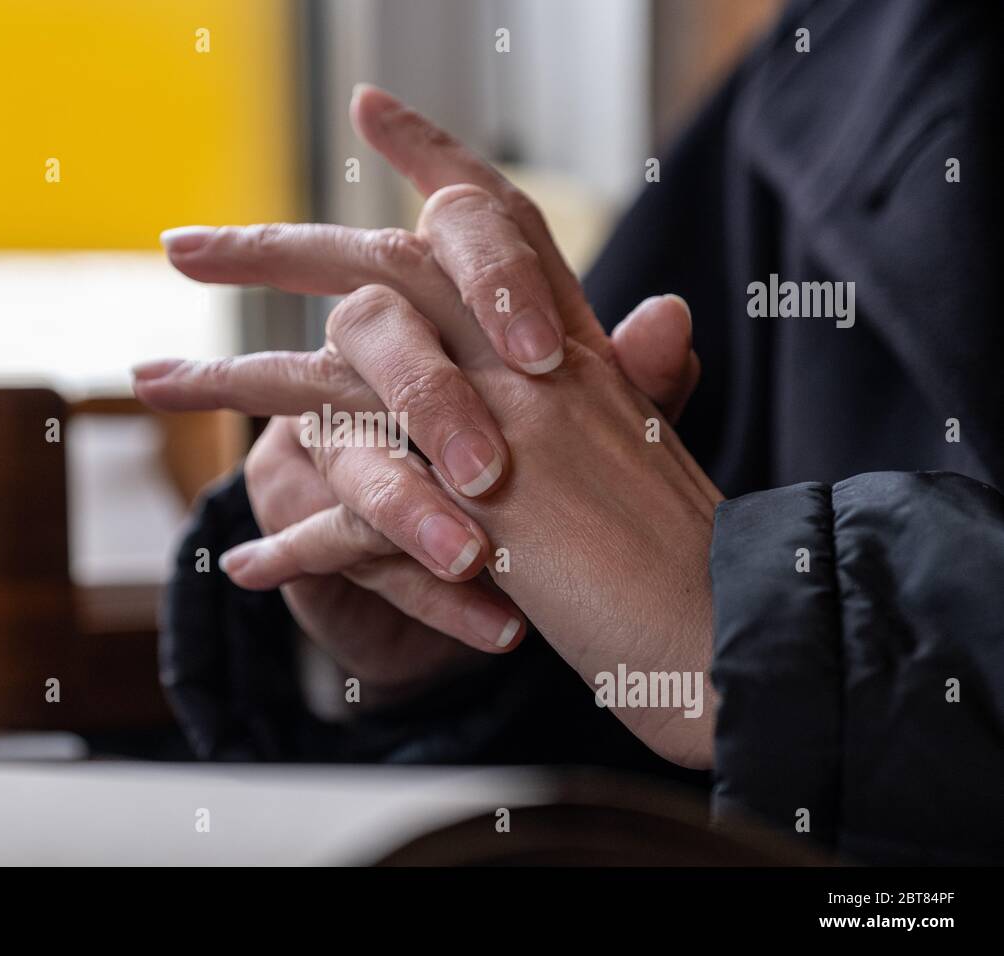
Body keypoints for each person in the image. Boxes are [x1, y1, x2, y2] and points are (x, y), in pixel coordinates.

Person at [133, 0, 1002, 864]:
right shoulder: (848, 52)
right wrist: (457, 633)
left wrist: (776, 626)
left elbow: (701, 606)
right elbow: (610, 540)